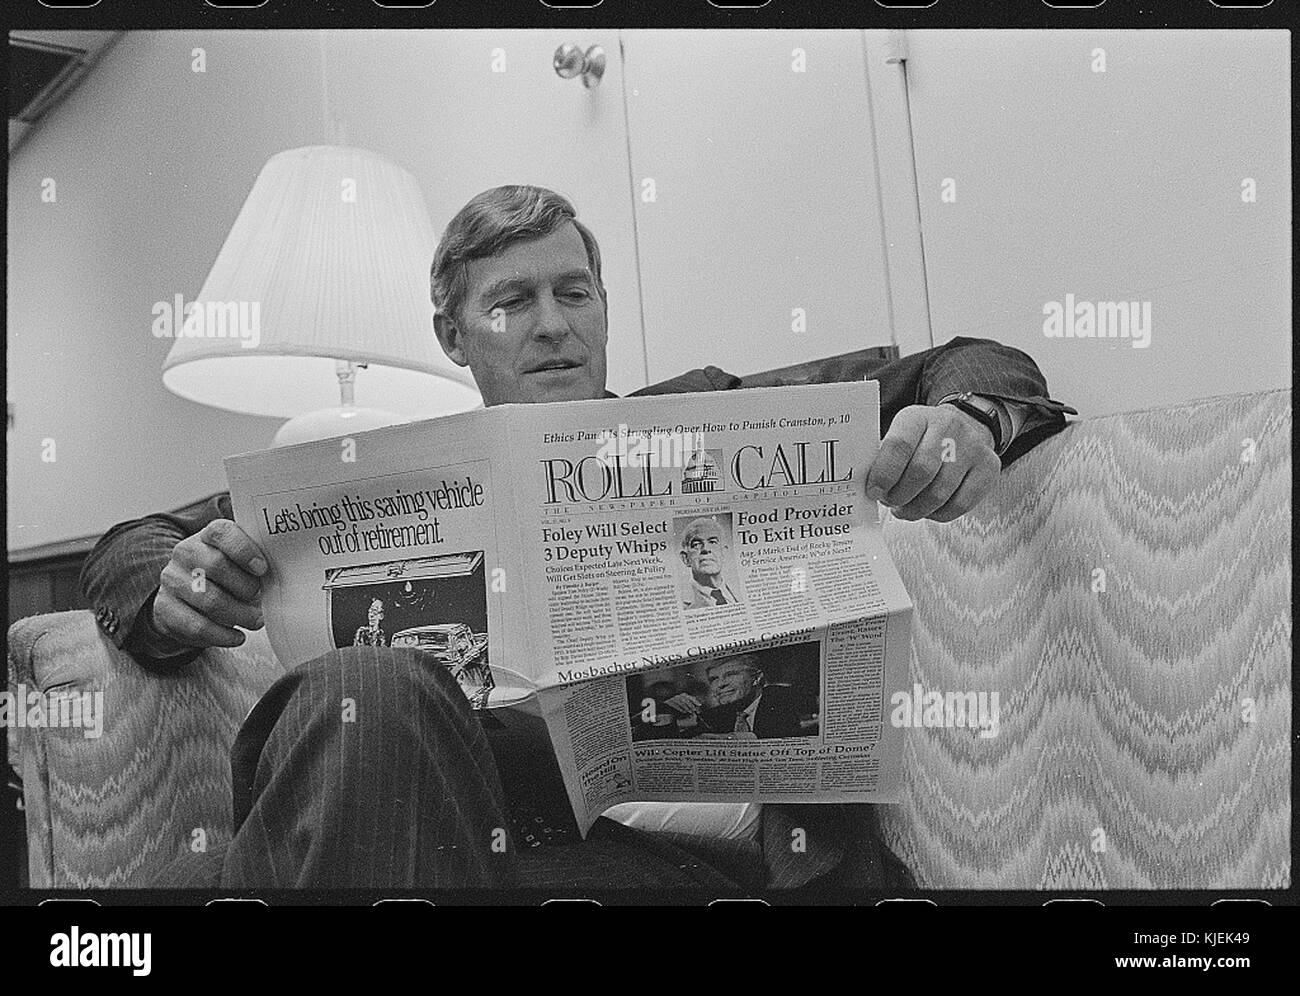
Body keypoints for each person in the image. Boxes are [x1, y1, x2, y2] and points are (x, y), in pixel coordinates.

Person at [80, 184, 1076, 891]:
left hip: (677, 861)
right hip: (444, 822)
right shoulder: (375, 471)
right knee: (366, 691)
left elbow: (970, 360)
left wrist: (969, 420)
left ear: (603, 307)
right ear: (452, 336)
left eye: (573, 292)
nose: (551, 324)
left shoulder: (708, 414)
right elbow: (132, 547)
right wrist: (173, 585)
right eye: (510, 302)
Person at [665, 654, 814, 740]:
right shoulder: (718, 714)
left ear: (756, 679)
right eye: (714, 679)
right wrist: (667, 710)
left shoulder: (778, 696)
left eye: (730, 675)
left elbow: (782, 732)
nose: (720, 685)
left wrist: (728, 739)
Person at [678, 517, 741, 609]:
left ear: (724, 552)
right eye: (696, 544)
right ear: (686, 558)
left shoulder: (739, 592)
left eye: (713, 542)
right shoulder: (681, 604)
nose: (706, 549)